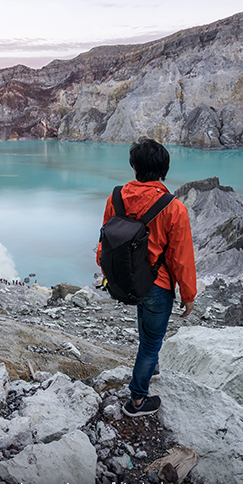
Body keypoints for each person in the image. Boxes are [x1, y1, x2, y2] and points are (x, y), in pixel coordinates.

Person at [97, 138, 197, 417]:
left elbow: (105, 241)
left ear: (133, 167)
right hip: (158, 284)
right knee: (151, 343)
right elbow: (181, 258)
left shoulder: (115, 197)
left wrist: (108, 274)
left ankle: (150, 368)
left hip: (128, 280)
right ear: (164, 169)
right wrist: (188, 295)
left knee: (146, 329)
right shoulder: (174, 208)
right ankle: (137, 401)